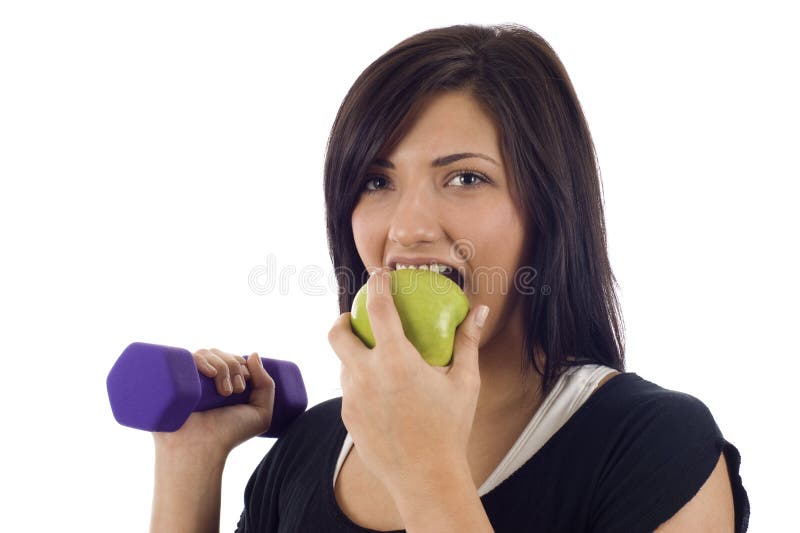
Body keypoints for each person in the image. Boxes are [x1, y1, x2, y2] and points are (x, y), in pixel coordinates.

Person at [150, 23, 750, 532]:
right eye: (377, 181)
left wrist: (426, 471)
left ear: (547, 207)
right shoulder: (308, 448)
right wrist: (190, 463)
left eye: (465, 178)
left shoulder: (657, 448)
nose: (407, 228)